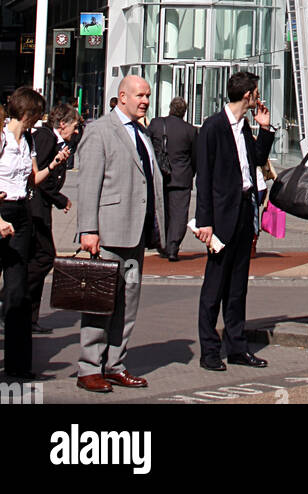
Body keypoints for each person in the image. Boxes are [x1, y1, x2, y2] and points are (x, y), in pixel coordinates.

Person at [76, 74, 165, 393]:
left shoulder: (141, 132)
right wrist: (88, 229)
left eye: (148, 96)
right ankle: (89, 367)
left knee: (128, 303)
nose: (145, 101)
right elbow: (88, 184)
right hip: (109, 233)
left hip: (135, 233)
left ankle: (114, 364)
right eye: (140, 95)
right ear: (122, 96)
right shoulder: (99, 131)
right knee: (100, 302)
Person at [194, 70, 274, 372]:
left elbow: (256, 160)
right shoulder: (213, 127)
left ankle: (238, 347)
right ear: (247, 95)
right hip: (220, 216)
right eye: (256, 92)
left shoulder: (243, 127)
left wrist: (264, 130)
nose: (258, 98)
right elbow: (203, 178)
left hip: (244, 209)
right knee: (214, 287)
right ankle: (209, 351)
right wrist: (205, 222)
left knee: (239, 285)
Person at [0, 87, 70, 378]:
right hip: (1, 211)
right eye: (37, 114)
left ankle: (19, 365)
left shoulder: (27, 139)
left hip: (21, 214)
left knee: (18, 292)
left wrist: (53, 164)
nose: (39, 120)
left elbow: (33, 179)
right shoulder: (2, 138)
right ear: (26, 112)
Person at [27, 103, 79, 328]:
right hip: (35, 208)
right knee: (45, 256)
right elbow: (38, 178)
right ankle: (11, 293)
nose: (76, 132)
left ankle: (30, 317)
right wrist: (61, 199)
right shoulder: (47, 138)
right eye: (74, 126)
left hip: (41, 207)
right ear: (62, 124)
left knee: (36, 256)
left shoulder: (58, 142)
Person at [147, 97, 197, 262]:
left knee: (161, 210)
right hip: (181, 177)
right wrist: (191, 173)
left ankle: (162, 243)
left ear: (170, 108)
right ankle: (173, 247)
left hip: (159, 175)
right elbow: (195, 157)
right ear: (185, 112)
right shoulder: (190, 130)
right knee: (179, 213)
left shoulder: (156, 124)